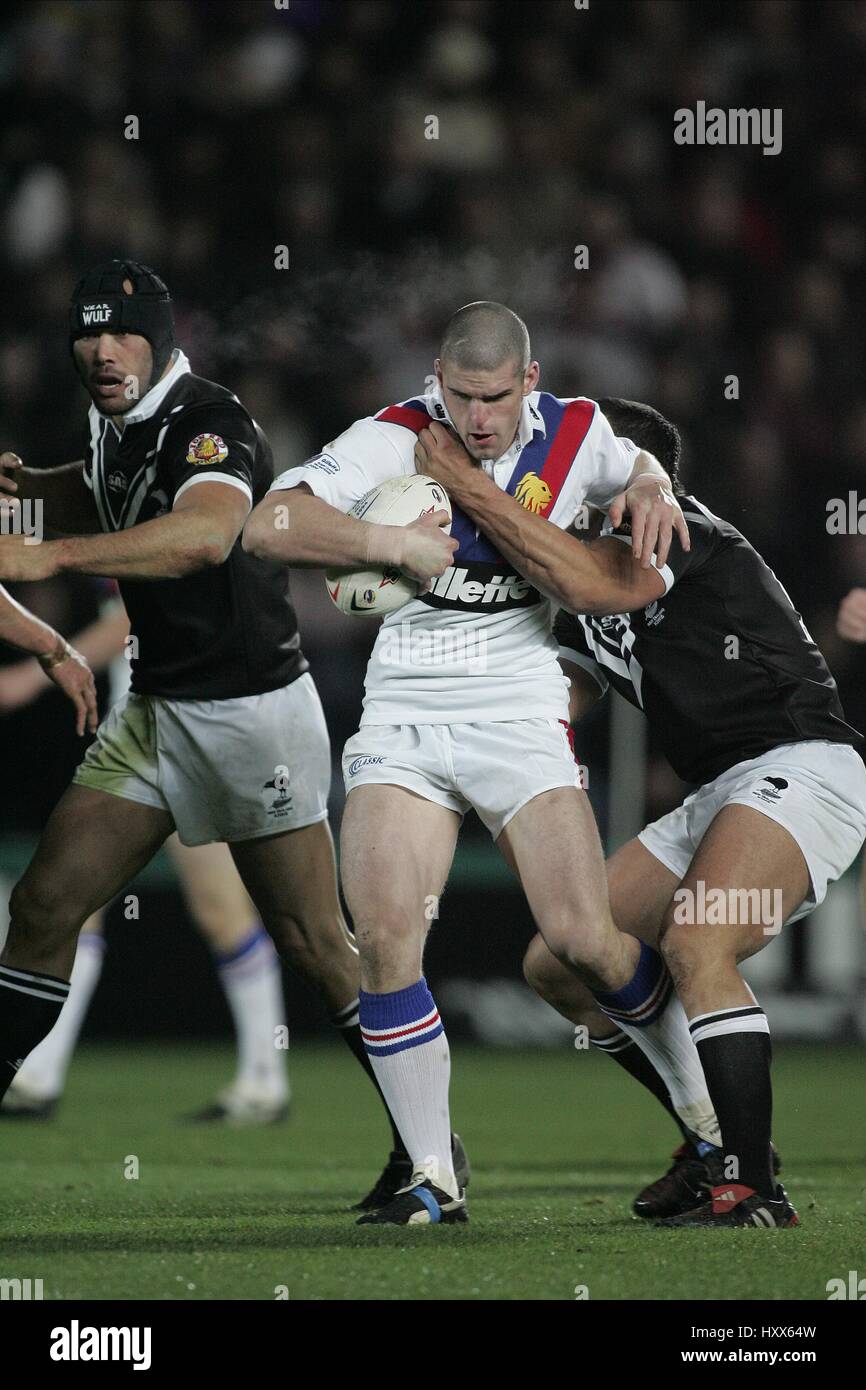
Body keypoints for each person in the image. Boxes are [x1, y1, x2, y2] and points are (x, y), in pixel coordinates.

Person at [0, 259, 468, 1209]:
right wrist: (26, 496)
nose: (102, 349)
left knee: (316, 943)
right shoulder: (115, 424)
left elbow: (206, 535)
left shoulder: (209, 419)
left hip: (252, 714)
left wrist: (43, 552)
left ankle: (429, 1153)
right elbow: (102, 497)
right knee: (44, 906)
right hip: (157, 711)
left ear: (163, 339)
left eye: (122, 332)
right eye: (87, 335)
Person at [244, 301, 700, 1226]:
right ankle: (431, 1177)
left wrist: (650, 480)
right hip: (406, 712)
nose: (478, 417)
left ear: (529, 383)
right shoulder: (398, 436)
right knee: (384, 937)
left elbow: (637, 466)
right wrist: (386, 542)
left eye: (495, 397)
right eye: (461, 396)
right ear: (435, 383)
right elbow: (268, 524)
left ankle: (709, 1118)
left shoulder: (580, 432)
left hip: (520, 711)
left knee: (583, 939)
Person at [420, 393, 866, 1228]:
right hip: (720, 790)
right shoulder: (580, 565)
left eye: (577, 456)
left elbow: (590, 586)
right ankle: (714, 1146)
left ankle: (754, 1190)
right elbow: (565, 686)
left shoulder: (676, 528)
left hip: (805, 765)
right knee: (559, 960)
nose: (551, 469)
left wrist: (475, 496)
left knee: (698, 940)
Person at [0, 593, 289, 1124]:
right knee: (82, 903)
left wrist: (36, 671)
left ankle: (266, 1079)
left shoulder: (160, 519)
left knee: (210, 907)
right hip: (152, 728)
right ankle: (39, 1074)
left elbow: (141, 613)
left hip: (178, 728)